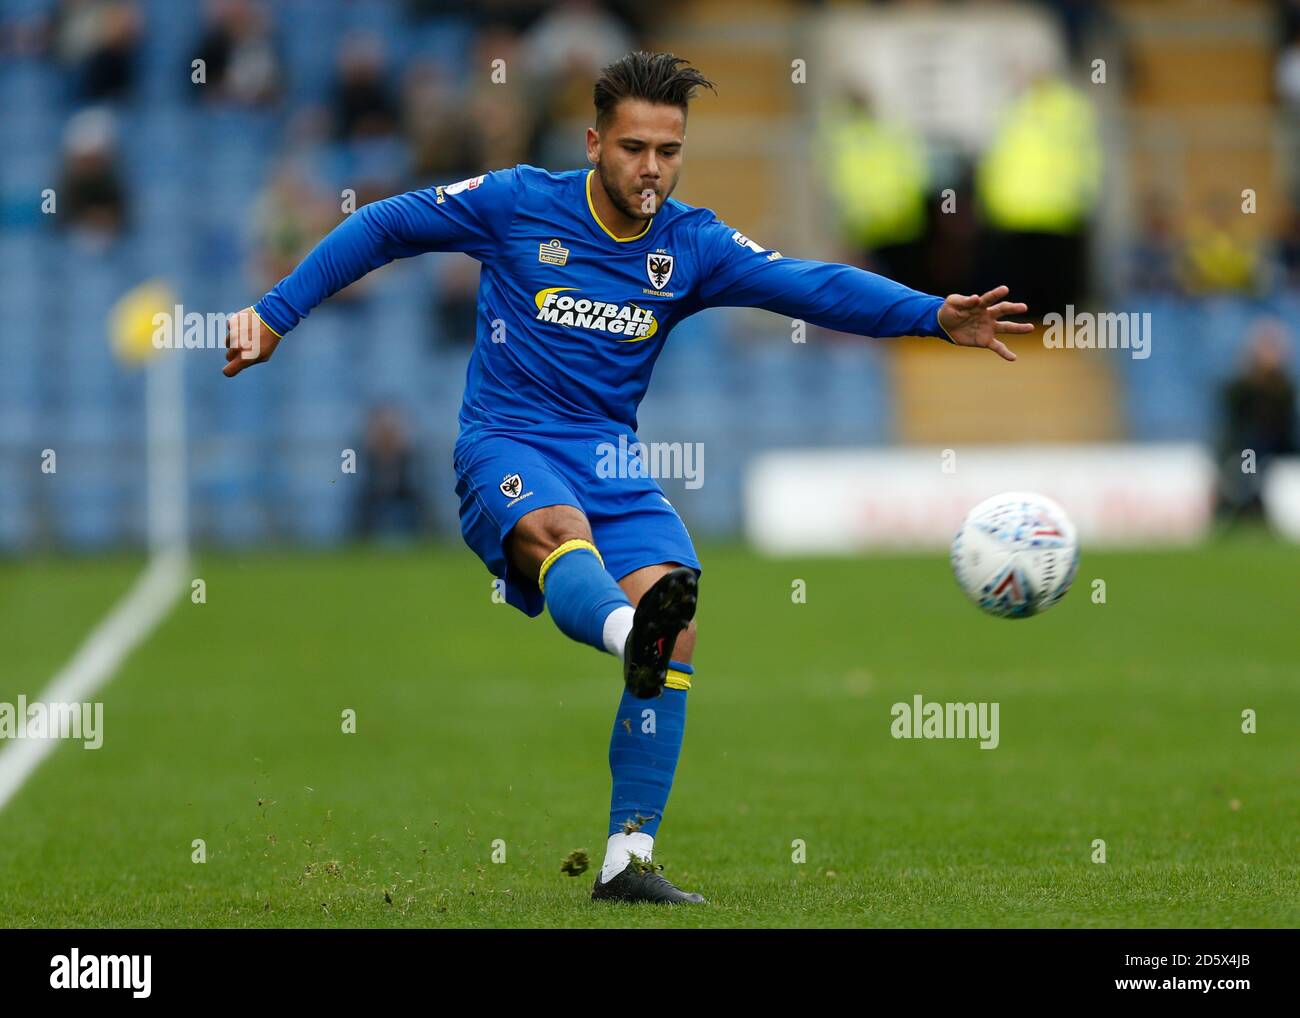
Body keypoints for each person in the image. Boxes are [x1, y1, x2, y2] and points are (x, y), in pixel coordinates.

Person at [221, 51, 1030, 905]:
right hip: (506, 444)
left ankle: (626, 859)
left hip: (608, 458)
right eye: (634, 147)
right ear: (595, 140)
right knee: (561, 540)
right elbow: (386, 225)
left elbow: (807, 285)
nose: (651, 168)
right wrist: (277, 313)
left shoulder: (692, 244)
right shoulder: (520, 202)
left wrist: (933, 314)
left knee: (676, 614)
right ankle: (623, 631)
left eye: (669, 151)